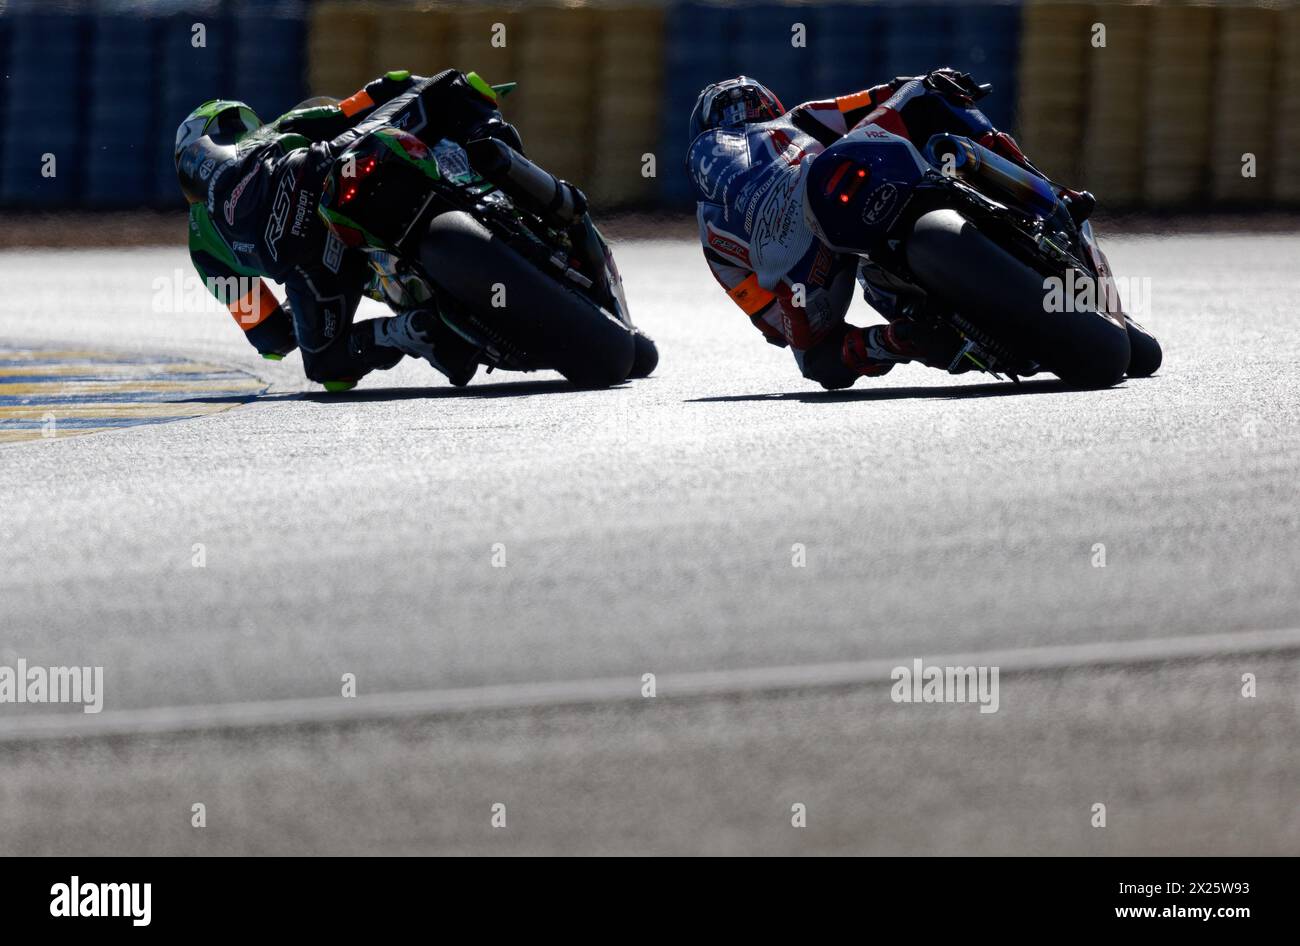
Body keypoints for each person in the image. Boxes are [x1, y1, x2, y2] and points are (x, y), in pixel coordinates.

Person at [686, 69, 1099, 389]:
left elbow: (770, 320)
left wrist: (796, 315)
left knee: (815, 360)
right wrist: (931, 82)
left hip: (810, 260)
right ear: (769, 106)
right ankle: (1051, 192)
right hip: (851, 183)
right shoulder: (801, 118)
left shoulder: (711, 235)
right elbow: (879, 96)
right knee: (931, 90)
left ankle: (893, 340)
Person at [175, 69, 518, 391]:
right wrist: (416, 84)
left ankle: (400, 331)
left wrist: (301, 298)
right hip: (313, 172)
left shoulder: (203, 247)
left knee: (328, 368)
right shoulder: (279, 128)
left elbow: (272, 339)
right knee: (453, 87)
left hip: (303, 260)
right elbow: (364, 101)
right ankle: (506, 172)